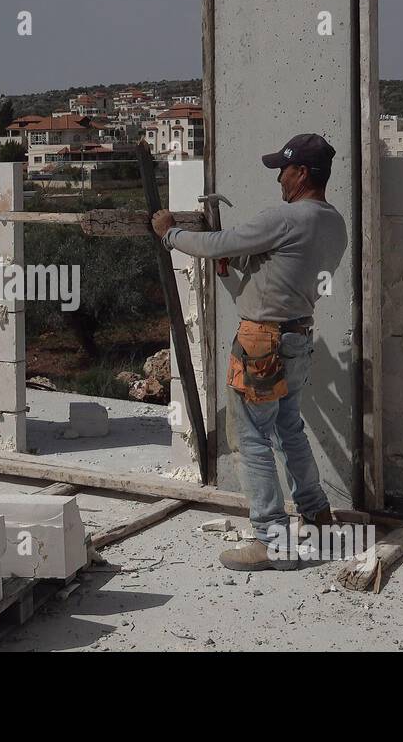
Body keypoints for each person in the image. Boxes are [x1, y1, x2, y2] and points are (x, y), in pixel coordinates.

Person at [151, 133, 349, 571]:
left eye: (284, 168)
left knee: (251, 439)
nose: (279, 176)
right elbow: (284, 271)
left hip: (261, 341)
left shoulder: (285, 217)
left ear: (301, 173)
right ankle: (316, 516)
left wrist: (170, 234)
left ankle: (271, 539)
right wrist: (242, 263)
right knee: (288, 428)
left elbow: (216, 245)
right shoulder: (334, 224)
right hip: (298, 337)